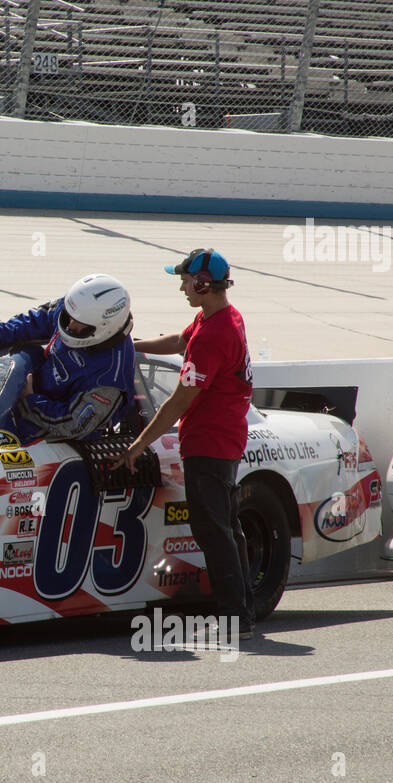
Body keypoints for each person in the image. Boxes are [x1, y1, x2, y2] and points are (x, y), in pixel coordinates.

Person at [110, 249, 256, 639]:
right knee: (227, 528)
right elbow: (180, 340)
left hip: (209, 444)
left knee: (213, 532)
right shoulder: (222, 316)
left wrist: (139, 444)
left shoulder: (214, 334)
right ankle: (243, 609)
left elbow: (178, 401)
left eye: (185, 280)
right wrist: (132, 346)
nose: (181, 287)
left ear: (204, 284)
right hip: (224, 440)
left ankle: (235, 617)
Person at [0, 274, 136, 441]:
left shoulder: (110, 377)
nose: (70, 324)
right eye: (69, 316)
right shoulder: (77, 308)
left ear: (106, 327)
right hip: (28, 395)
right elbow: (38, 319)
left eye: (79, 323)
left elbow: (74, 425)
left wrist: (30, 400)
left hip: (56, 437)